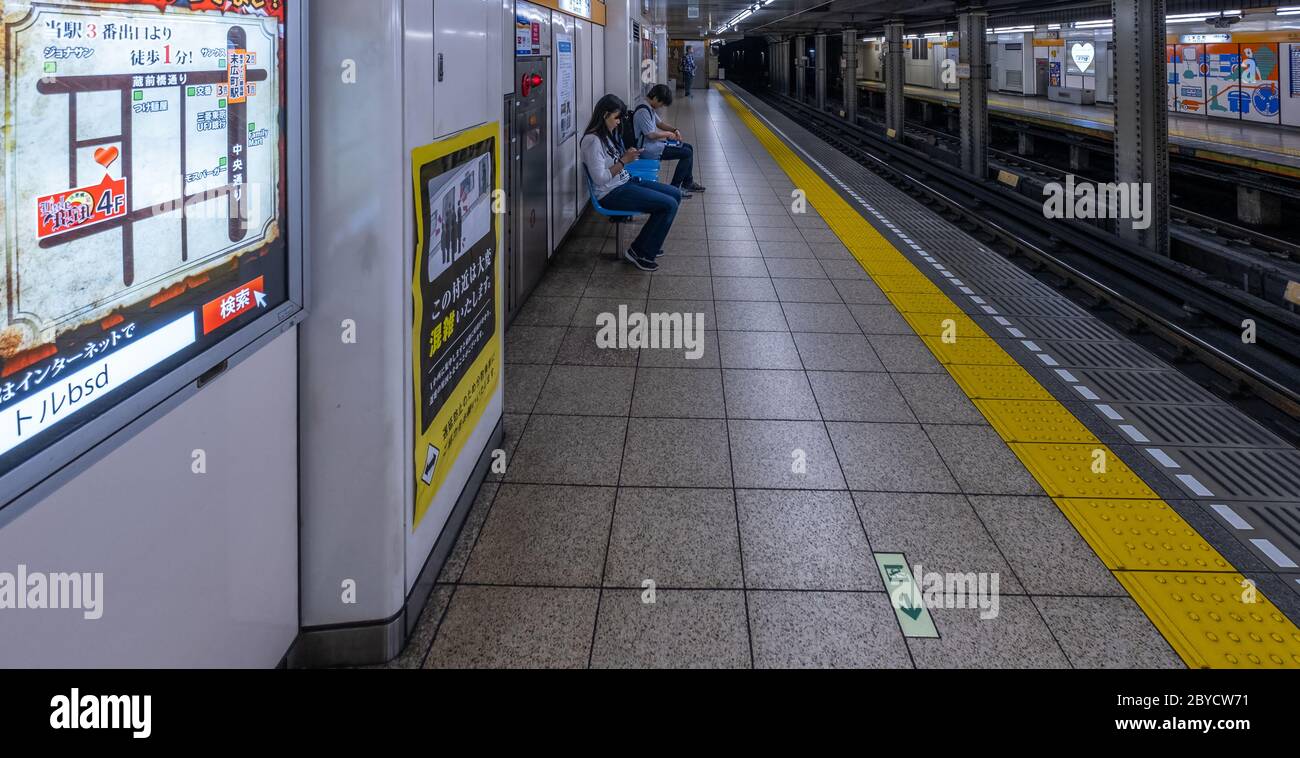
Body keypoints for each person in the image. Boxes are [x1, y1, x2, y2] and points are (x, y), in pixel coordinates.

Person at [581, 94, 682, 272]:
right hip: (610, 193)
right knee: (669, 205)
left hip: (624, 182)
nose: (618, 122)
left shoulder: (606, 135)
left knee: (675, 193)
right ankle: (640, 252)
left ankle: (649, 242)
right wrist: (623, 161)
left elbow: (612, 162)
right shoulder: (592, 141)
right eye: (616, 118)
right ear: (604, 115)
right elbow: (600, 178)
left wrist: (627, 155)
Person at [634, 84, 707, 193]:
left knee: (689, 148)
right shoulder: (643, 111)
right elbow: (651, 135)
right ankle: (675, 188)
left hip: (654, 144)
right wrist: (667, 134)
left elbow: (660, 123)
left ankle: (688, 183)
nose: (661, 106)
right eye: (661, 103)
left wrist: (674, 130)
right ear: (655, 98)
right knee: (686, 153)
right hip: (648, 149)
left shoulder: (649, 107)